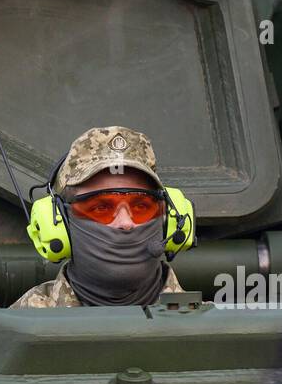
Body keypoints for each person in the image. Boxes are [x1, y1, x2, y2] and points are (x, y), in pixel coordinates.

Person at [11, 126, 186, 308]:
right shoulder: (17, 325)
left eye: (141, 206)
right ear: (62, 223)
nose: (126, 223)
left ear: (168, 221)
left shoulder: (213, 326)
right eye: (101, 208)